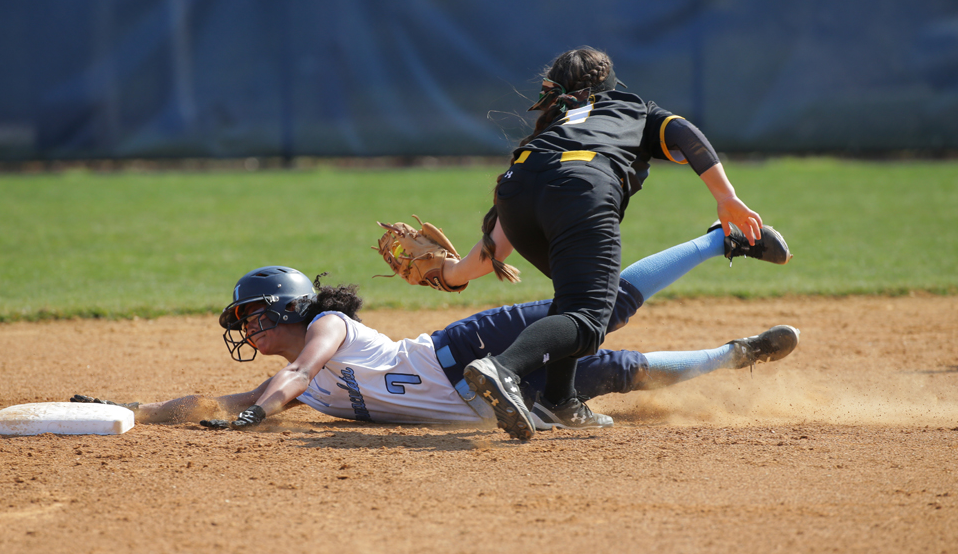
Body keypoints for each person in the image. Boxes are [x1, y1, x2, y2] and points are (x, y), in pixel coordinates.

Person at [72, 226, 798, 432]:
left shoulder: (323, 329)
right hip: (484, 399)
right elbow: (221, 401)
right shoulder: (306, 386)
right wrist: (131, 410)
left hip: (470, 347)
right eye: (242, 320)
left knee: (600, 312)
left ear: (291, 308)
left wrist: (260, 412)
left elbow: (281, 386)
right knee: (621, 372)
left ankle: (717, 238)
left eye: (254, 314)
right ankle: (735, 354)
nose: (248, 326)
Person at [431, 46, 786, 440]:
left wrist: (449, 274)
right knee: (587, 320)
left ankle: (559, 400)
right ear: (608, 83)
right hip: (580, 189)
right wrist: (725, 196)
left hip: (516, 191)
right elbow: (683, 132)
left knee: (571, 301)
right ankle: (502, 368)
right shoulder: (631, 107)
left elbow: (494, 251)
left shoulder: (554, 125)